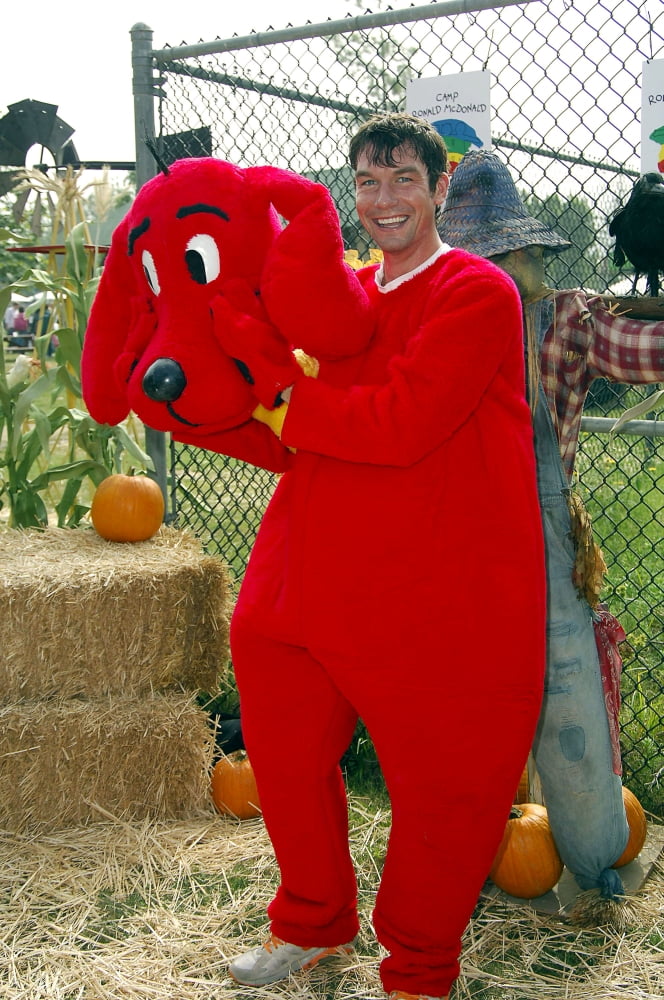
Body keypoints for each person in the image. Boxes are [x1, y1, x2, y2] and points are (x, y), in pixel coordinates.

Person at [218, 114, 547, 1000]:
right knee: (283, 751)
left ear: (442, 189)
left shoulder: (477, 293)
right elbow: (295, 436)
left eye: (404, 178)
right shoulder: (345, 291)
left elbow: (401, 424)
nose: (384, 198)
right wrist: (221, 405)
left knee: (444, 784)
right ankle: (312, 922)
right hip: (309, 559)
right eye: (367, 182)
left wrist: (283, 399)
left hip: (430, 578)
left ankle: (417, 968)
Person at [438, 148, 664, 901]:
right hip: (451, 540)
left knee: (566, 692)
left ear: (525, 254)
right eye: (472, 257)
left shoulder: (565, 319)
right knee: (461, 700)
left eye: (500, 255)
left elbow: (647, 348)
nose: (488, 271)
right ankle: (460, 855)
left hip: (540, 537)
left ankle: (594, 855)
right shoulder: (428, 319)